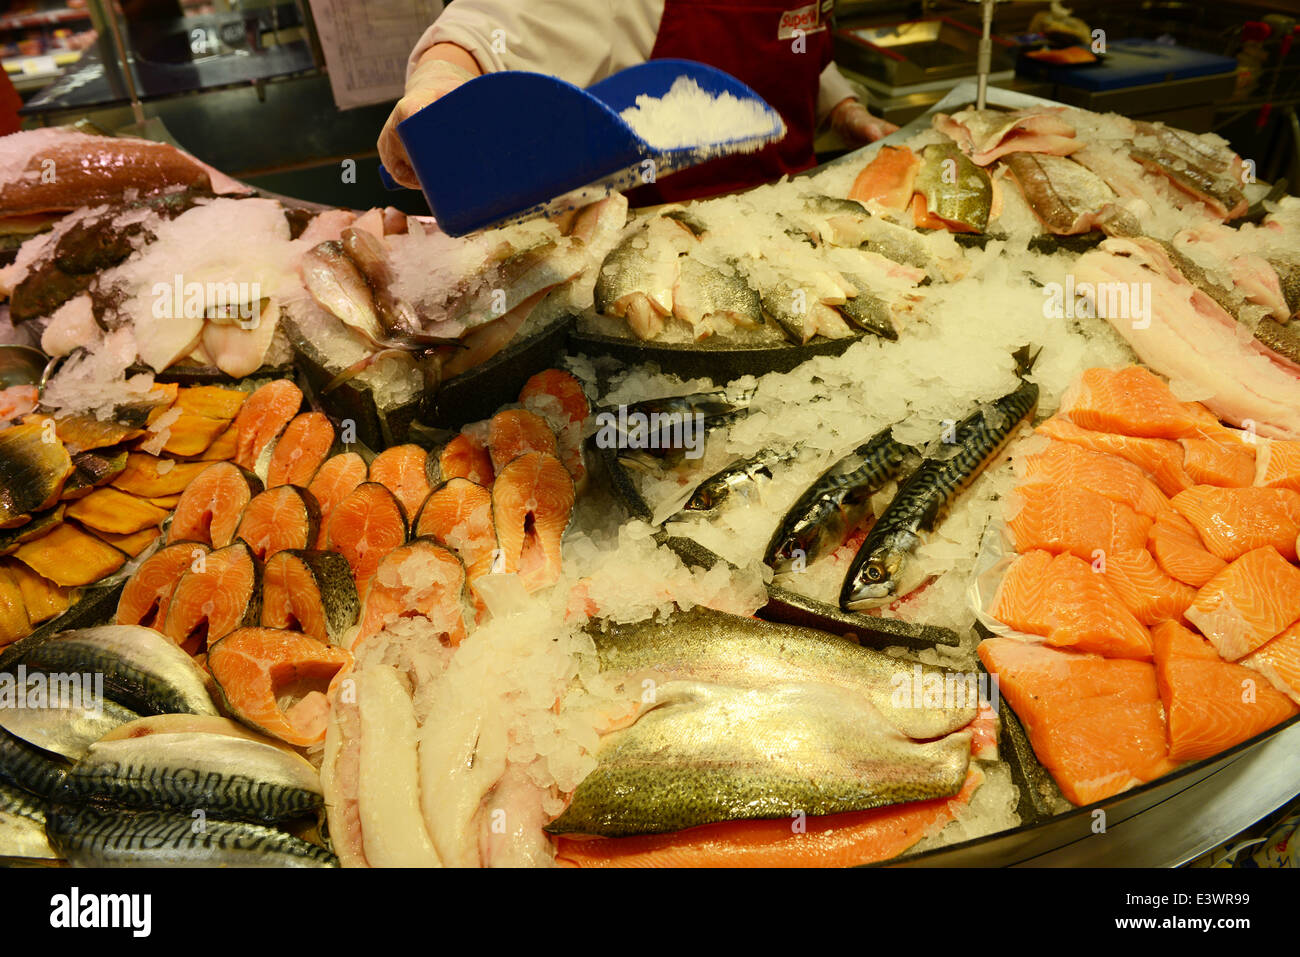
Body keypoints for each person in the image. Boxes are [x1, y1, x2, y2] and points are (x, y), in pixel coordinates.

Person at [377, 0, 898, 203]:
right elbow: (488, 26)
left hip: (795, 216)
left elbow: (795, 41)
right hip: (656, 261)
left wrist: (843, 109)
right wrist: (440, 80)